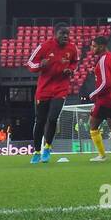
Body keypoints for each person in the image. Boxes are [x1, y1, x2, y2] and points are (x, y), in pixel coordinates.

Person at [27, 24, 78, 164]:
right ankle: (37, 151)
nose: (65, 36)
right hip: (44, 89)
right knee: (40, 121)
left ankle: (48, 147)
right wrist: (39, 65)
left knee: (53, 118)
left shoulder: (72, 48)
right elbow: (30, 63)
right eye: (62, 33)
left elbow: (75, 62)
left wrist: (71, 70)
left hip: (61, 88)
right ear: (55, 34)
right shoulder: (44, 46)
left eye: (67, 34)